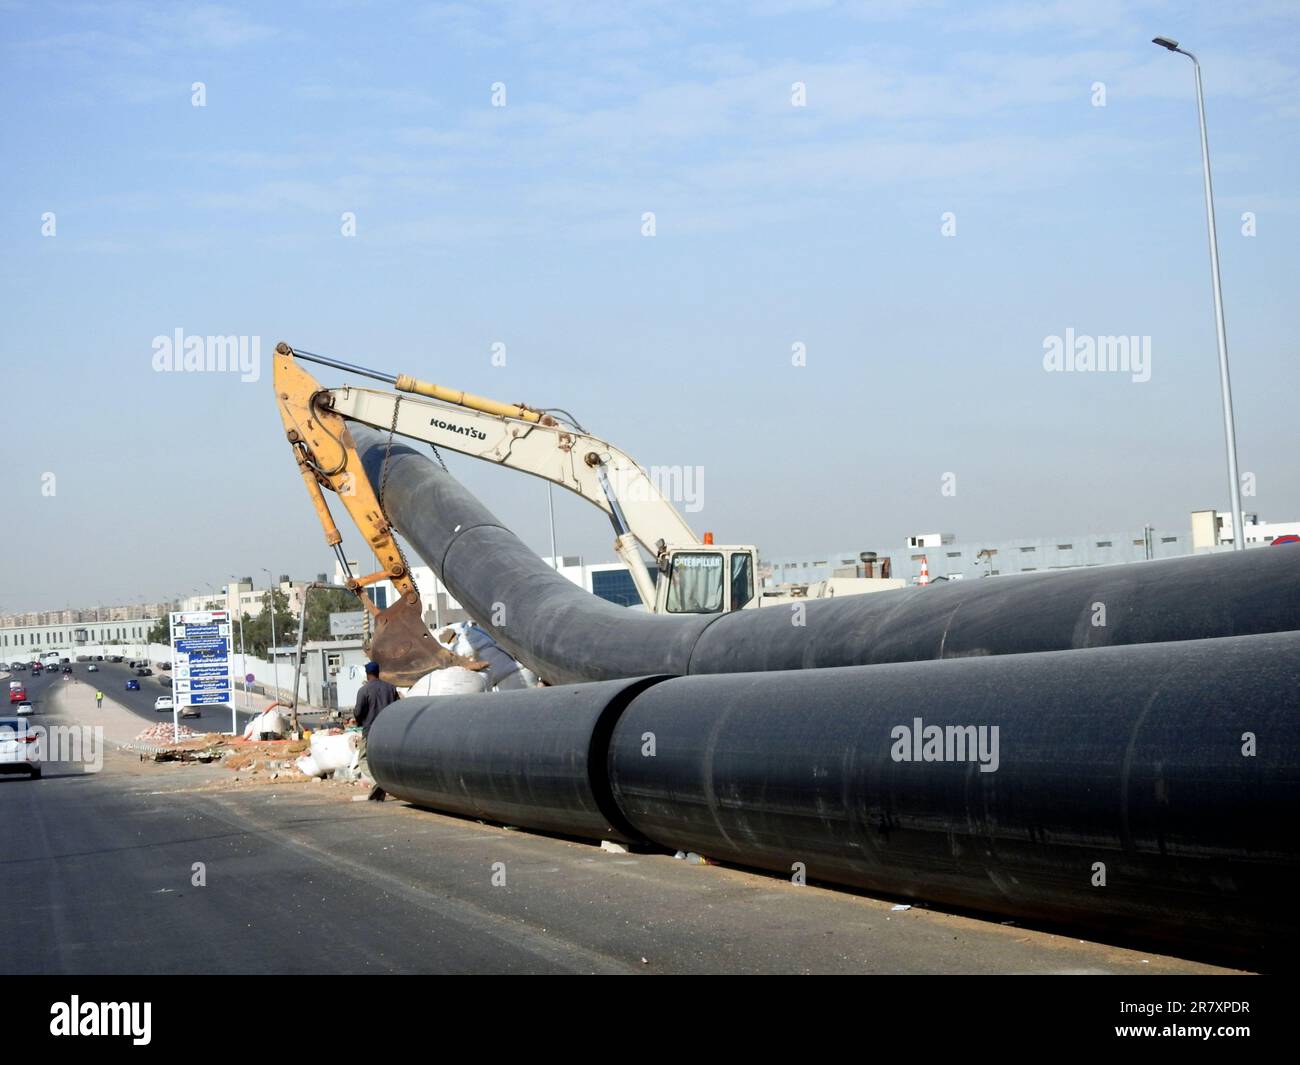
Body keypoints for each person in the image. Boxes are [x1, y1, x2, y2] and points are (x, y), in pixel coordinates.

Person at [352, 661, 399, 801]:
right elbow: (397, 707)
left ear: (367, 674)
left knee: (363, 759)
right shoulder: (391, 688)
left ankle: (377, 782)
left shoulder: (364, 690)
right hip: (388, 731)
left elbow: (358, 711)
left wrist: (359, 721)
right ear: (379, 672)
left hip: (370, 730)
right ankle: (386, 786)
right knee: (384, 759)